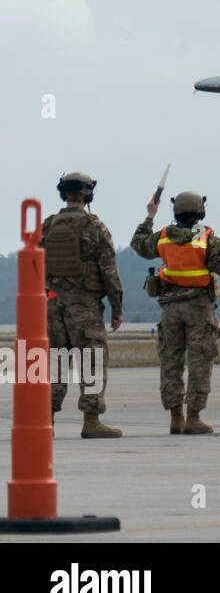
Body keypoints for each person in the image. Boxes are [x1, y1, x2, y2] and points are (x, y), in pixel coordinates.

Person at [130, 190, 220, 434]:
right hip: (199, 309)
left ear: (176, 210)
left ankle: (176, 418)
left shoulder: (163, 237)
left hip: (170, 309)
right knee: (200, 361)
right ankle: (193, 418)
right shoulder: (204, 239)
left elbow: (138, 243)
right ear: (200, 211)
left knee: (170, 362)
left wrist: (150, 216)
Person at [41, 171, 124, 439]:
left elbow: (35, 265)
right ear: (88, 195)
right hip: (84, 306)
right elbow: (109, 271)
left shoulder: (47, 226)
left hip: (52, 305)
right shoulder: (94, 226)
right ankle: (91, 421)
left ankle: (46, 422)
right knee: (92, 361)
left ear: (63, 193)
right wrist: (117, 308)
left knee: (55, 361)